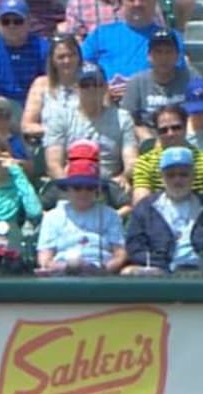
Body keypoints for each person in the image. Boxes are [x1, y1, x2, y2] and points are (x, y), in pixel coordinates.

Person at [123, 146, 203, 275]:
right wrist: (160, 266)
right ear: (162, 177)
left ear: (193, 176)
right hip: (159, 270)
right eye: (171, 175)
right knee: (128, 272)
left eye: (183, 174)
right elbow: (135, 246)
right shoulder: (145, 208)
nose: (177, 180)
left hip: (202, 271)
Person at [42, 65, 135, 213]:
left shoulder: (122, 118)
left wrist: (124, 176)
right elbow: (54, 164)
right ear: (76, 88)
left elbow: (131, 160)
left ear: (105, 87)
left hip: (107, 185)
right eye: (85, 85)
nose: (91, 89)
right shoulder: (60, 117)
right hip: (72, 182)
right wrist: (73, 188)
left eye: (96, 84)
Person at [81, 0, 186, 90]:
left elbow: (176, 78)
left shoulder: (170, 38)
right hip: (108, 102)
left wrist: (135, 89)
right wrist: (104, 91)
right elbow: (80, 69)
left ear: (154, 0)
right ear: (122, 1)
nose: (137, 4)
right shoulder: (100, 35)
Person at [36, 152, 126, 275]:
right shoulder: (53, 217)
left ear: (97, 190)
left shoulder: (110, 215)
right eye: (77, 187)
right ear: (67, 189)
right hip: (62, 275)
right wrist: (63, 268)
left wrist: (104, 269)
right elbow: (44, 258)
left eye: (89, 188)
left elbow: (120, 254)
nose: (83, 192)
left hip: (100, 275)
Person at [130, 104, 203, 213]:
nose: (170, 134)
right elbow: (141, 204)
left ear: (186, 127)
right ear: (157, 133)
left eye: (176, 128)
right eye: (164, 130)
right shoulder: (145, 162)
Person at [0, 0, 51, 107]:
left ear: (28, 23)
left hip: (35, 106)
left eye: (17, 21)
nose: (11, 26)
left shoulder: (43, 48)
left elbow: (51, 86)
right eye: (5, 21)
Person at [121, 28, 196, 142]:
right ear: (149, 56)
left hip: (185, 137)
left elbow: (201, 113)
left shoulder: (191, 78)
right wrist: (150, 141)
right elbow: (128, 118)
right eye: (158, 52)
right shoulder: (136, 82)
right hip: (148, 140)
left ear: (177, 55)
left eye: (168, 52)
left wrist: (188, 137)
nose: (163, 58)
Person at [21, 33, 82, 139]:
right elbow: (27, 125)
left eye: (71, 55)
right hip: (50, 142)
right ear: (52, 60)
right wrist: (55, 132)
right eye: (61, 57)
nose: (67, 61)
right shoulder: (41, 84)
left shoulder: (91, 84)